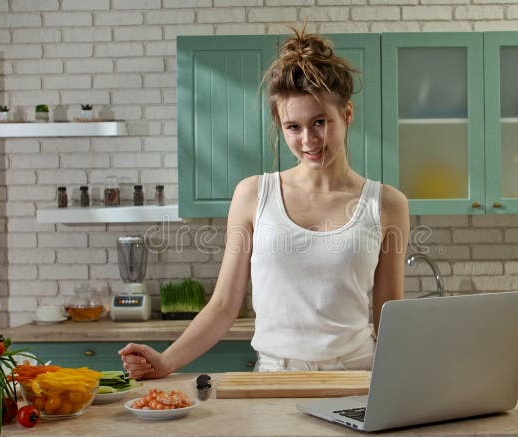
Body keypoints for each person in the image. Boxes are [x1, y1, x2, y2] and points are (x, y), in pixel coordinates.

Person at [119, 28, 409, 378]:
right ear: (280, 126)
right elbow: (225, 305)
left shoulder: (387, 204)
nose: (308, 140)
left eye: (320, 122)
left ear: (347, 115)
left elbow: (389, 314)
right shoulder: (253, 195)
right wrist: (166, 361)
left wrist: (408, 383)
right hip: (274, 377)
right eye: (293, 127)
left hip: (357, 375)